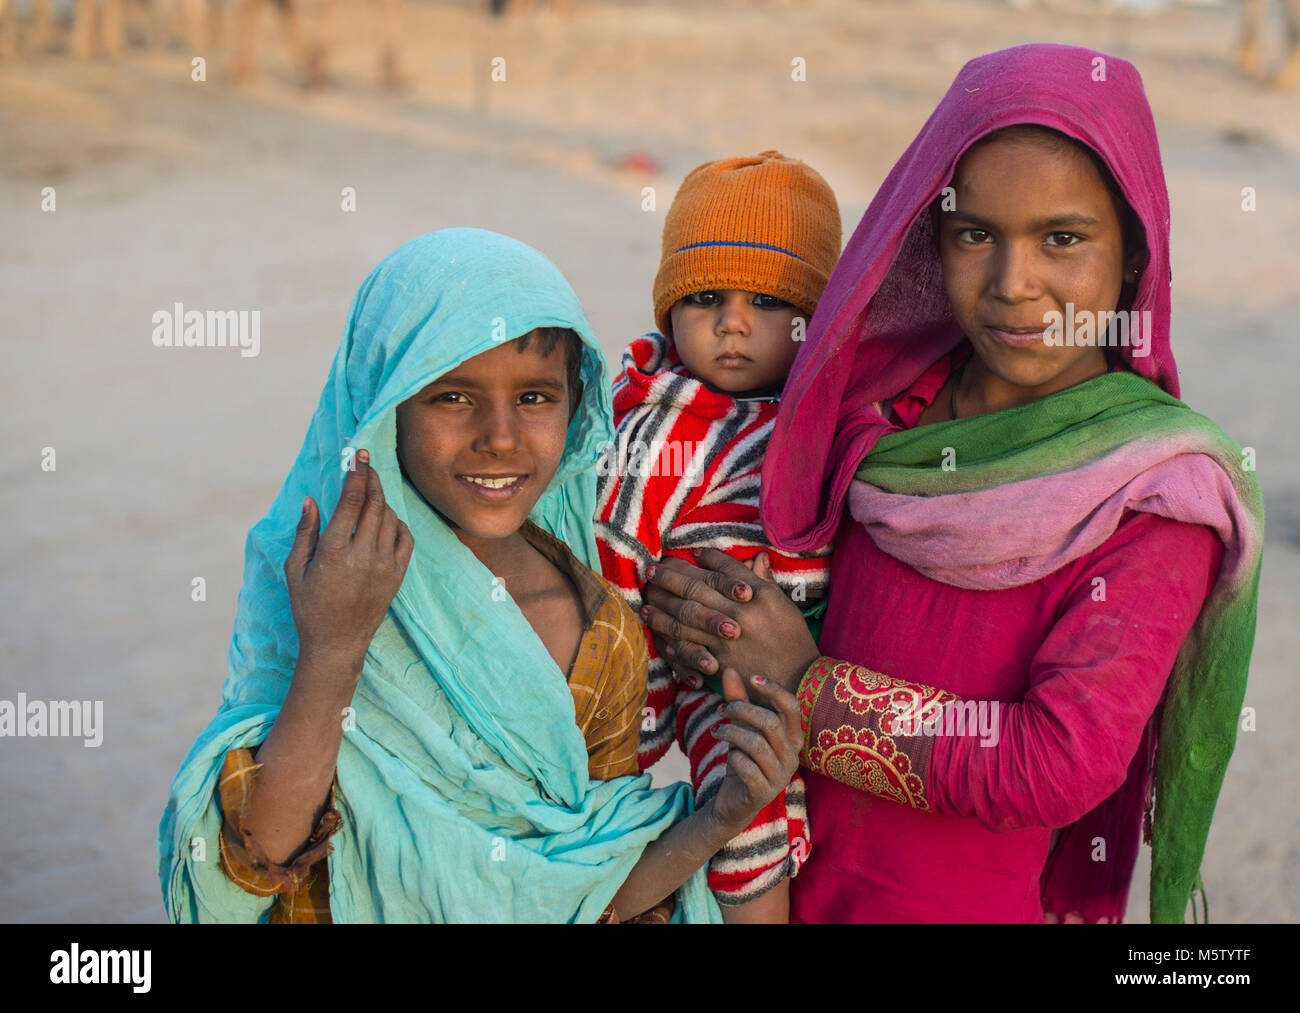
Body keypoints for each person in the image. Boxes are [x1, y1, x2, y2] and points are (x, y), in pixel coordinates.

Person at [638, 44, 1264, 924]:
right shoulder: (876, 410)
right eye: (976, 234)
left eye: (1063, 238)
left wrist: (809, 687)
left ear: (1132, 255)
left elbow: (1058, 761)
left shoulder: (1153, 490)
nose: (1015, 283)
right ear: (932, 240)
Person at [156, 228, 804, 923]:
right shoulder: (328, 581)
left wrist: (722, 814)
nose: (500, 436)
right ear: (382, 403)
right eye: (453, 397)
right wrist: (333, 649)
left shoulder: (600, 631)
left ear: (577, 404)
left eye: (533, 397)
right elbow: (250, 863)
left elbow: (590, 891)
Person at [594, 151, 840, 920]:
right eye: (704, 298)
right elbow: (616, 553)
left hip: (823, 662)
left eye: (768, 300)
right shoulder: (665, 419)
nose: (732, 322)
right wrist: (638, 718)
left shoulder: (823, 408)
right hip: (717, 674)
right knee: (750, 799)